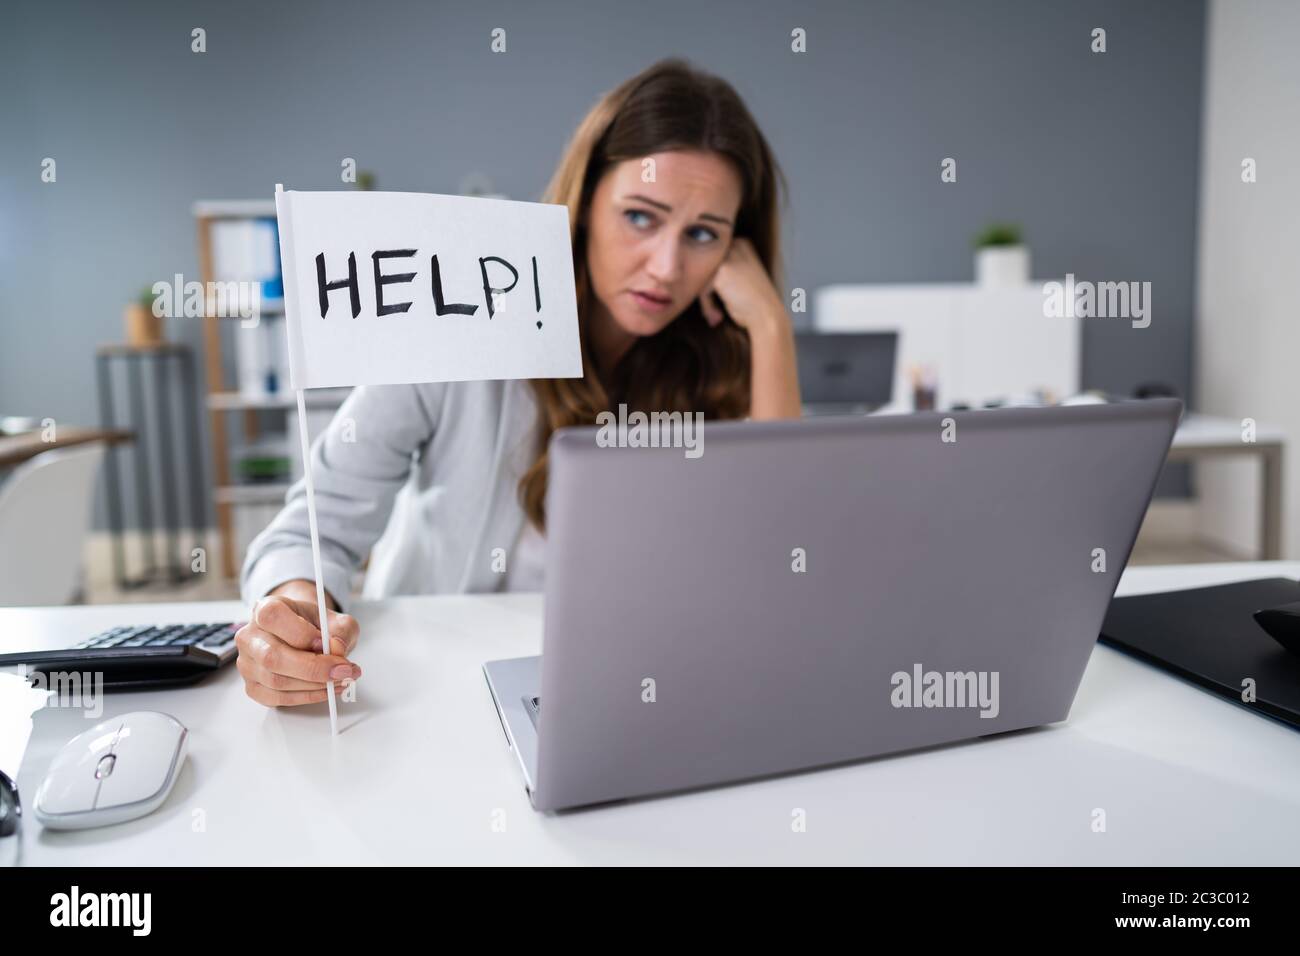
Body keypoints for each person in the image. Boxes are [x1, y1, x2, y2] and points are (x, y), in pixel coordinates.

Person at [235, 58, 801, 707]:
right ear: (585, 202)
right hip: (442, 695)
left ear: (737, 252)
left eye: (704, 234)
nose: (667, 267)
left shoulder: (717, 366)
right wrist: (295, 607)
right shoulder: (461, 320)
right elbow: (313, 530)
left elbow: (775, 561)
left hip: (630, 690)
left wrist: (771, 329)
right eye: (642, 217)